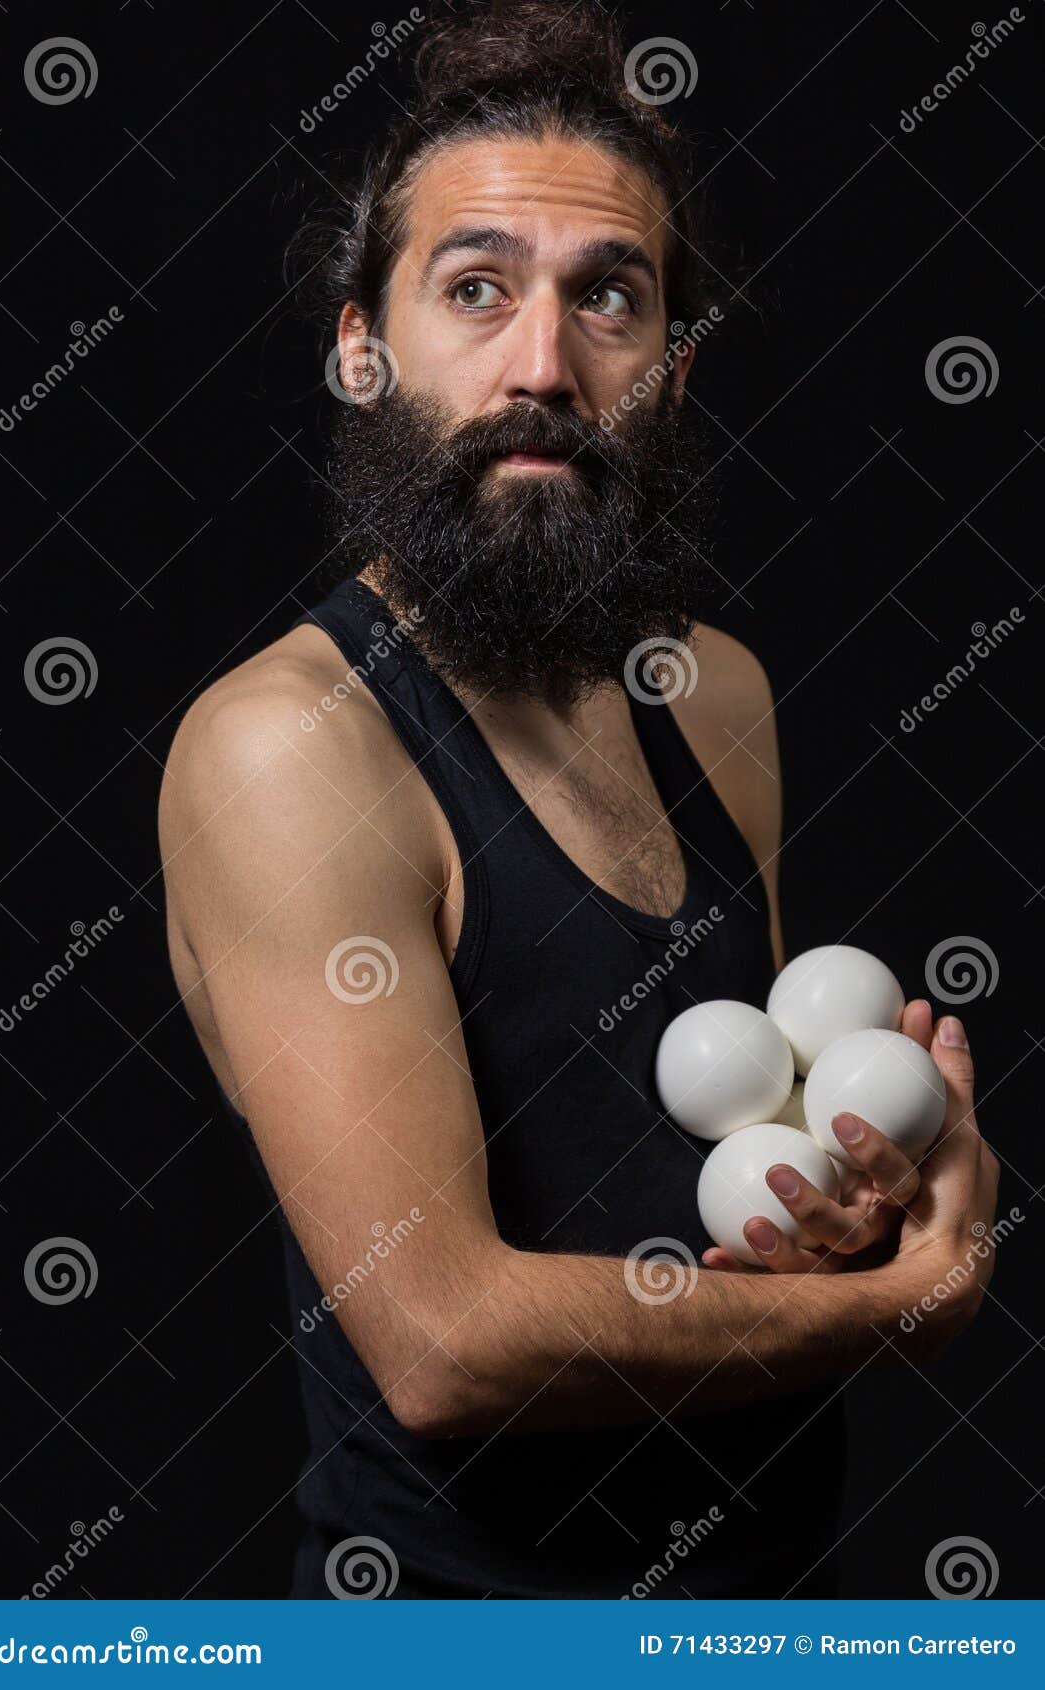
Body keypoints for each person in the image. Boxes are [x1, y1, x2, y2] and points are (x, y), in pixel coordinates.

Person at [158, 0, 999, 1599]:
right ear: (361, 346)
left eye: (606, 297)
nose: (542, 364)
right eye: (474, 289)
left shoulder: (716, 695)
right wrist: (905, 1300)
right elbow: (445, 1340)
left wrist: (891, 1187)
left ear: (675, 366)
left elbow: (714, 1147)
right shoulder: (290, 748)